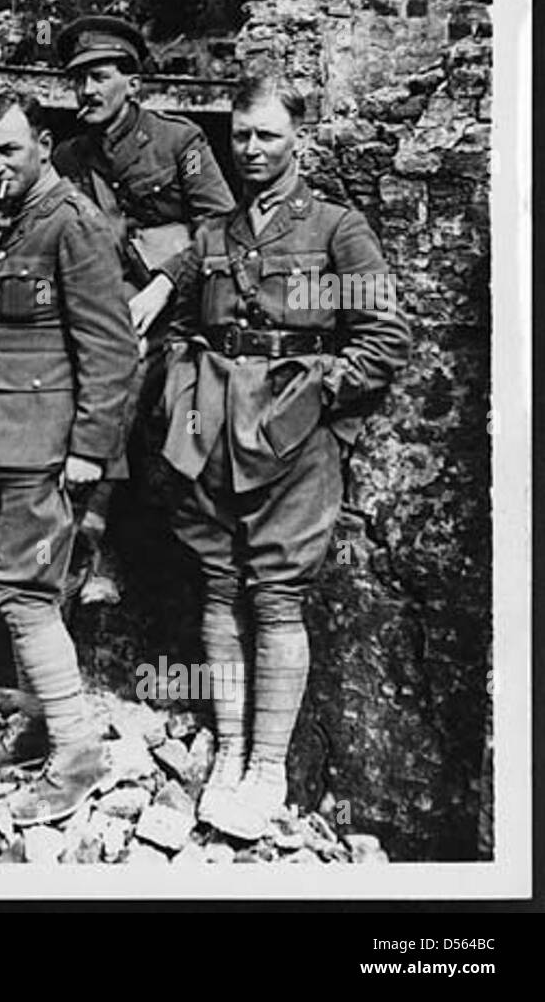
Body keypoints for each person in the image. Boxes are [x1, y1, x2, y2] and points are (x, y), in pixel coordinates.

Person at [161, 74, 410, 839]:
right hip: (208, 438)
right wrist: (180, 390)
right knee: (215, 586)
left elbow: (386, 337)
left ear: (297, 137)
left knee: (275, 597)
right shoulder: (214, 235)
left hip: (290, 441)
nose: (252, 150)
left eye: (267, 134)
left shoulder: (337, 228)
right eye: (240, 135)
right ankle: (230, 751)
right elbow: (175, 328)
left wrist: (322, 401)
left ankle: (267, 767)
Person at [0, 91, 139, 826]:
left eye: (10, 151)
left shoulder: (72, 221)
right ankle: (43, 726)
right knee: (33, 592)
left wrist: (89, 450)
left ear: (44, 145)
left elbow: (111, 347)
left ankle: (77, 753)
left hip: (46, 444)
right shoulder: (25, 219)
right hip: (8, 436)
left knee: (20, 593)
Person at [52, 16, 235, 607]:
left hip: (175, 308)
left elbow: (218, 228)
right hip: (103, 303)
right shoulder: (70, 156)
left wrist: (164, 282)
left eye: (100, 77)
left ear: (133, 83)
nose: (86, 92)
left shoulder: (179, 143)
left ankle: (97, 530)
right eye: (78, 80)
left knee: (126, 368)